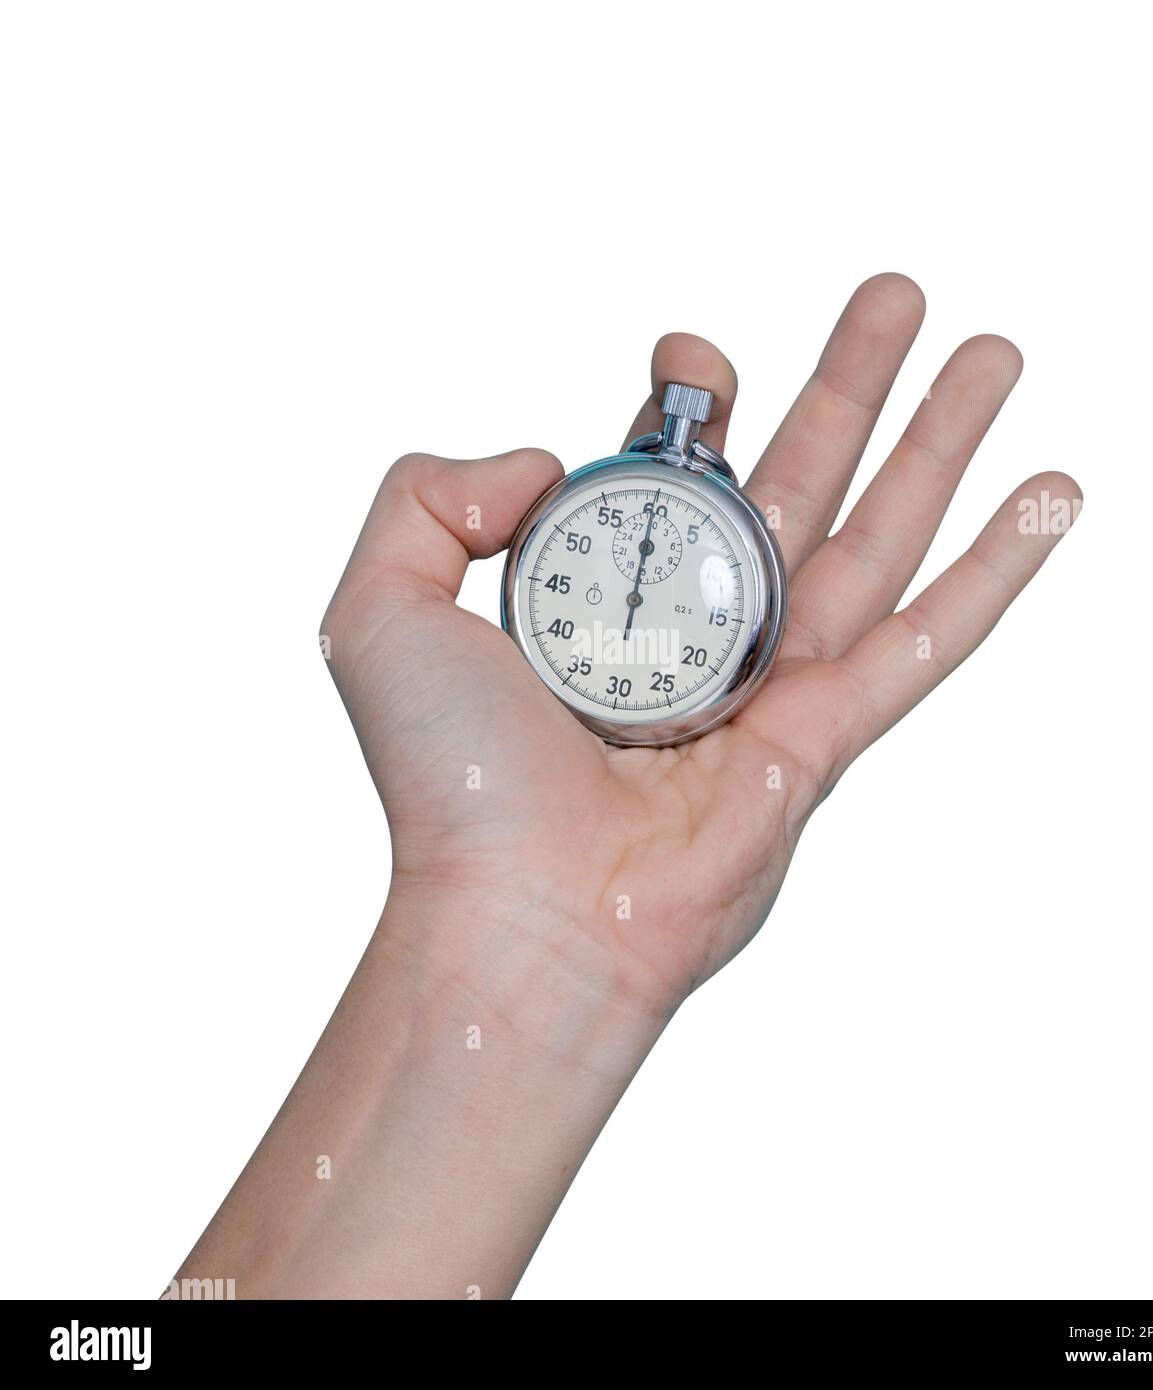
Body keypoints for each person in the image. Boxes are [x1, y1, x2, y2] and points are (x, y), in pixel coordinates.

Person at [174, 273, 1081, 1298]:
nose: (635, 592)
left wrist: (519, 934)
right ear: (568, 544)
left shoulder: (696, 568)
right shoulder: (577, 552)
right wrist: (506, 906)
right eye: (604, 570)